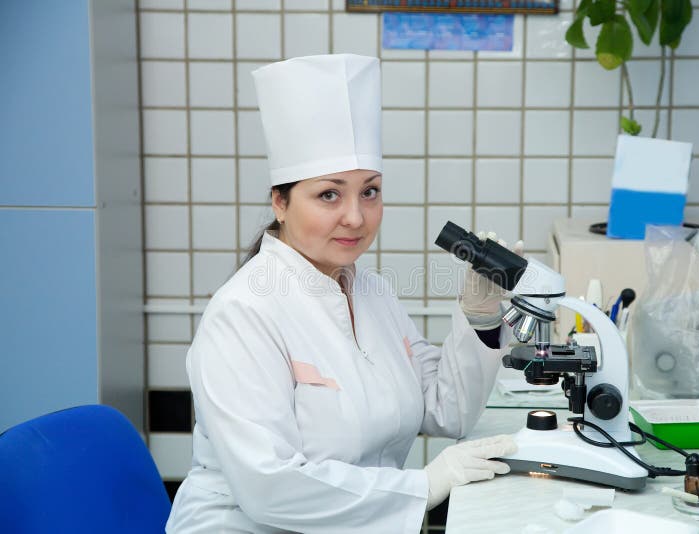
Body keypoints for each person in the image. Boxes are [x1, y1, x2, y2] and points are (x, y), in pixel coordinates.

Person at [165, 53, 520, 533]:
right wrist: (423, 485)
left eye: (369, 191)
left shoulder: (370, 292)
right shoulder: (242, 314)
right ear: (280, 202)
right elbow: (268, 488)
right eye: (329, 194)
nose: (355, 216)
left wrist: (480, 317)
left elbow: (444, 409)